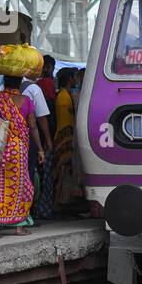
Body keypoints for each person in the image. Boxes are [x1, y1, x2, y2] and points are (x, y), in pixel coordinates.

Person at [0, 74, 44, 238]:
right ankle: (19, 227)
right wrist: (40, 149)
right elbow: (32, 126)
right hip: (19, 148)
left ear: (4, 82)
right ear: (20, 83)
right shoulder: (26, 100)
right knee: (20, 185)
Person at [52, 68, 85, 215]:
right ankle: (59, 203)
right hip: (65, 136)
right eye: (73, 77)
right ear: (70, 79)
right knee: (63, 170)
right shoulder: (65, 97)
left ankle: (62, 202)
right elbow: (67, 120)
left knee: (64, 171)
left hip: (64, 135)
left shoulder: (64, 95)